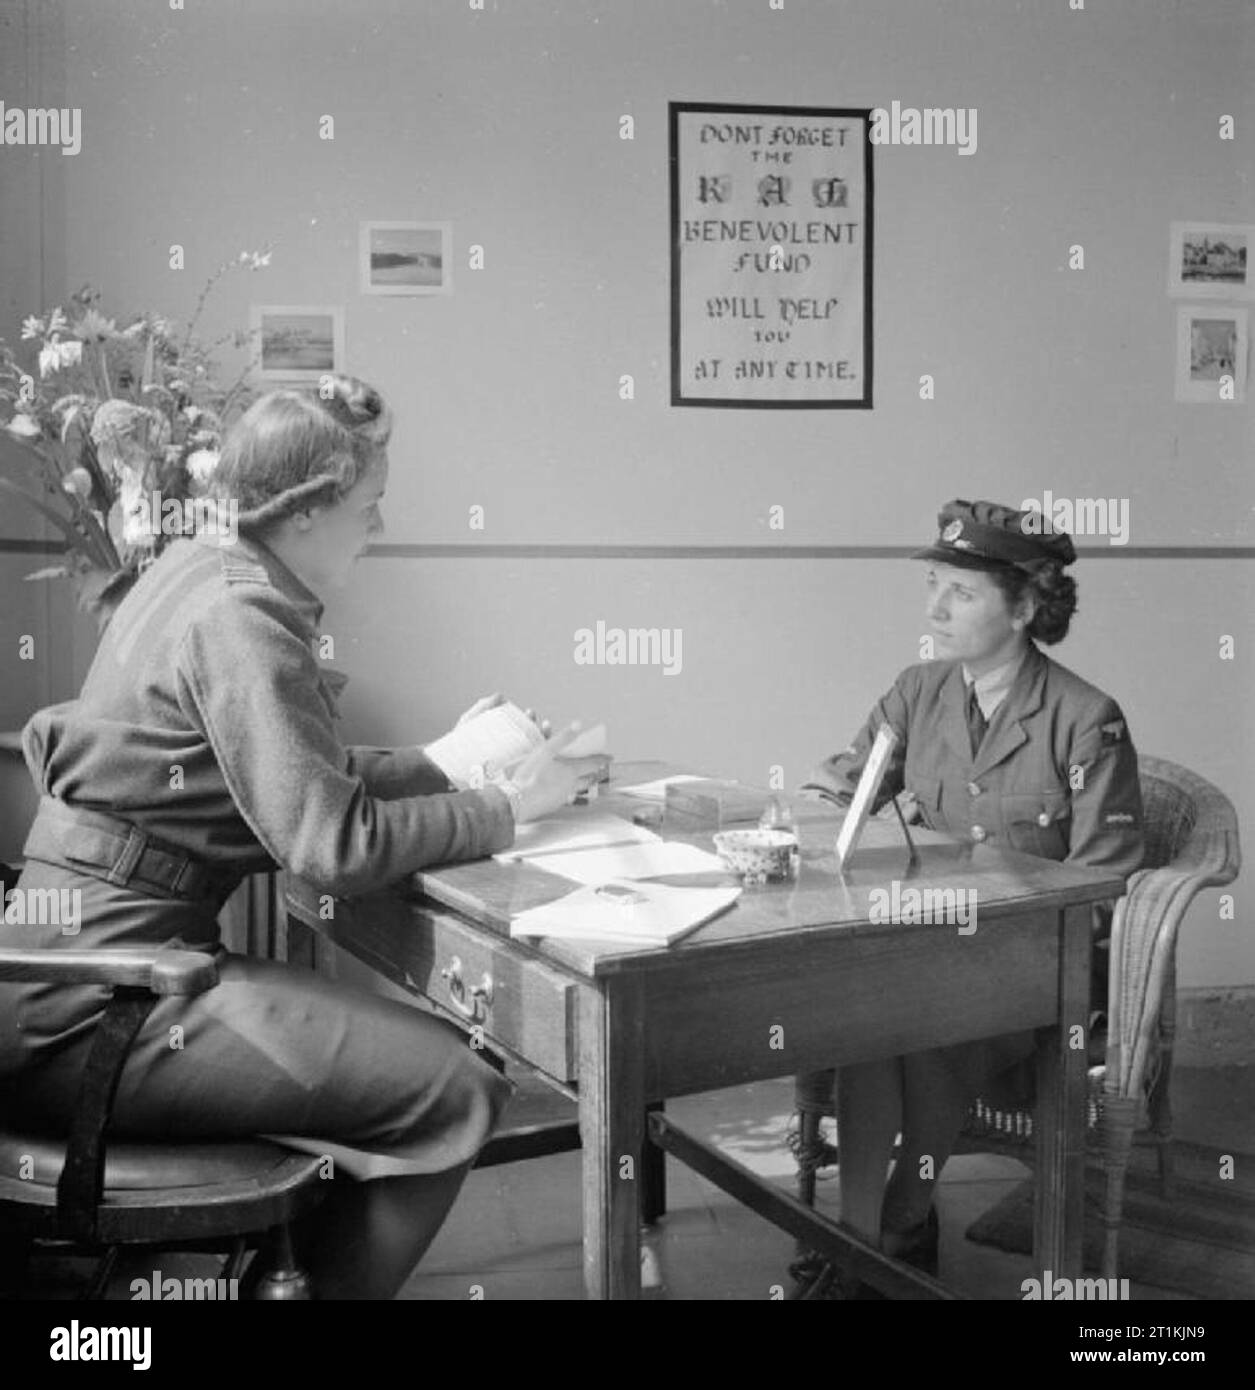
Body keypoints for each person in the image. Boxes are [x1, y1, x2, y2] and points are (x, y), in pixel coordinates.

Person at [0, 375, 606, 1299]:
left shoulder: (195, 568)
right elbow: (333, 848)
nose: (378, 529)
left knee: (399, 1070)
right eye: (368, 508)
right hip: (96, 1001)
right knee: (458, 1085)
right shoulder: (247, 619)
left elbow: (280, 776)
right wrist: (509, 811)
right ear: (308, 508)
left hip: (67, 967)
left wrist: (447, 762)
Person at [799, 498, 1144, 1290]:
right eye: (932, 583)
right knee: (864, 1025)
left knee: (928, 1028)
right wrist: (817, 818)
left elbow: (1100, 884)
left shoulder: (1087, 720)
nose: (934, 608)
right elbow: (842, 789)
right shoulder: (916, 692)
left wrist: (996, 944)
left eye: (960, 592)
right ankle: (865, 1238)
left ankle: (895, 1226)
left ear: (1024, 607)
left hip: (1037, 973)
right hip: (923, 947)